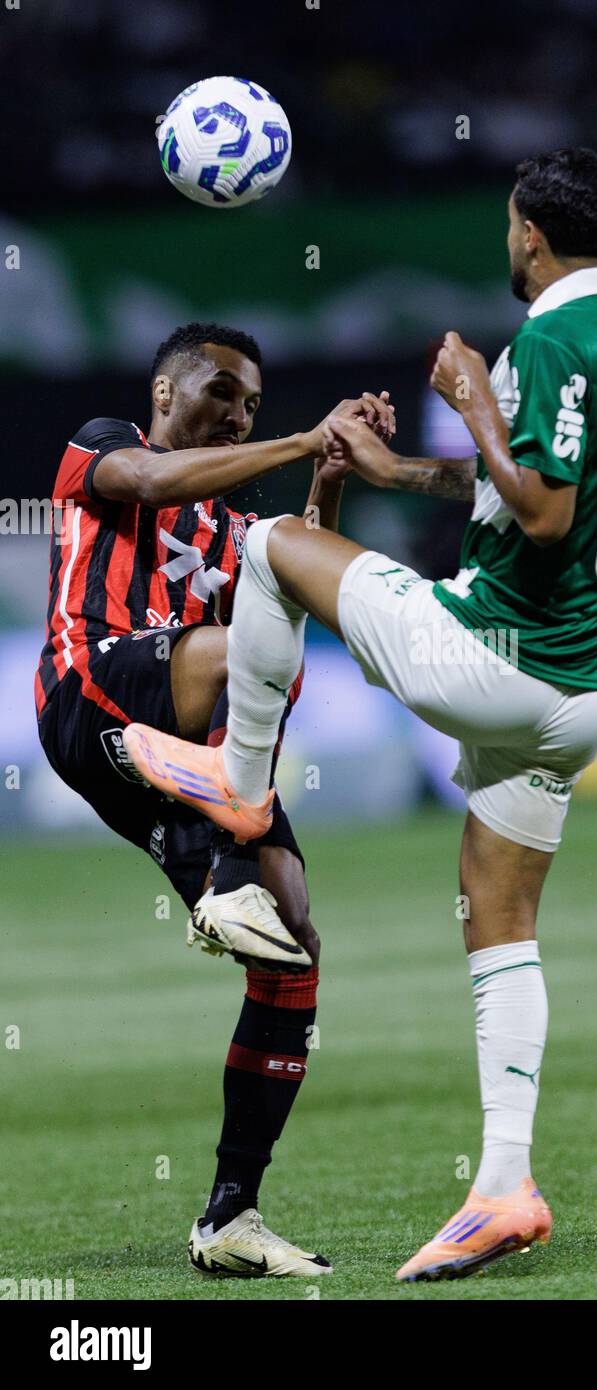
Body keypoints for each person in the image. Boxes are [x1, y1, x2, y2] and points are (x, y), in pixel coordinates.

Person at [123, 147, 597, 1281]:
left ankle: (240, 780)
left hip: (501, 655)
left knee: (270, 546)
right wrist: (396, 466)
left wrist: (470, 402)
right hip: (580, 692)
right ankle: (503, 1186)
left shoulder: (552, 339)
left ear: (525, 233)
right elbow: (506, 494)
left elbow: (547, 509)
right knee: (495, 912)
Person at [35, 321, 393, 1274]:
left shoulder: (236, 532)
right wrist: (303, 438)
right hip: (93, 697)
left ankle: (231, 1216)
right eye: (222, 393)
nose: (238, 414)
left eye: (252, 405)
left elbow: (295, 601)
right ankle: (226, 873)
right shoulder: (105, 446)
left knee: (294, 946)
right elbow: (150, 486)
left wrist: (332, 472)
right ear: (165, 393)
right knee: (244, 654)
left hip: (179, 762)